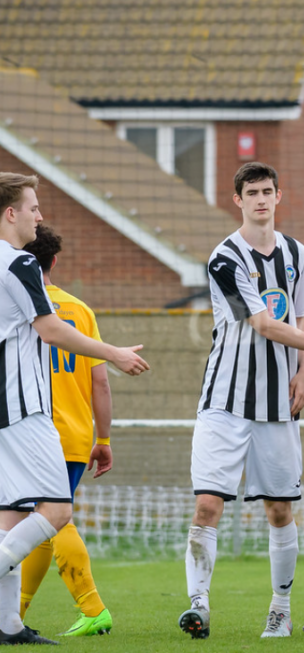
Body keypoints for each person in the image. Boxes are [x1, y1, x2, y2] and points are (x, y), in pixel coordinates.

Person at [179, 162, 304, 640]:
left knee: (280, 510)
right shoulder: (225, 258)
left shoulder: (296, 252)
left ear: (278, 197)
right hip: (225, 399)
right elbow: (263, 323)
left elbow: (301, 315)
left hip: (278, 404)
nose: (261, 199)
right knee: (207, 505)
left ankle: (279, 610)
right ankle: (198, 606)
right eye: (252, 192)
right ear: (238, 200)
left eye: (268, 191)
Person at [0, 172, 149, 646]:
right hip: (24, 410)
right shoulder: (20, 264)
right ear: (10, 213)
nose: (38, 216)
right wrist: (115, 352)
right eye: (33, 207)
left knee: (10, 518)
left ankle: (7, 626)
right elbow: (52, 330)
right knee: (57, 509)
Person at [17, 225, 114, 637]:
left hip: (35, 434)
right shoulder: (80, 310)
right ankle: (14, 614)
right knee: (40, 530)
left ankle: (93, 608)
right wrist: (104, 439)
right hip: (75, 436)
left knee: (53, 518)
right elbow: (101, 382)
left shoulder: (19, 307)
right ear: (54, 261)